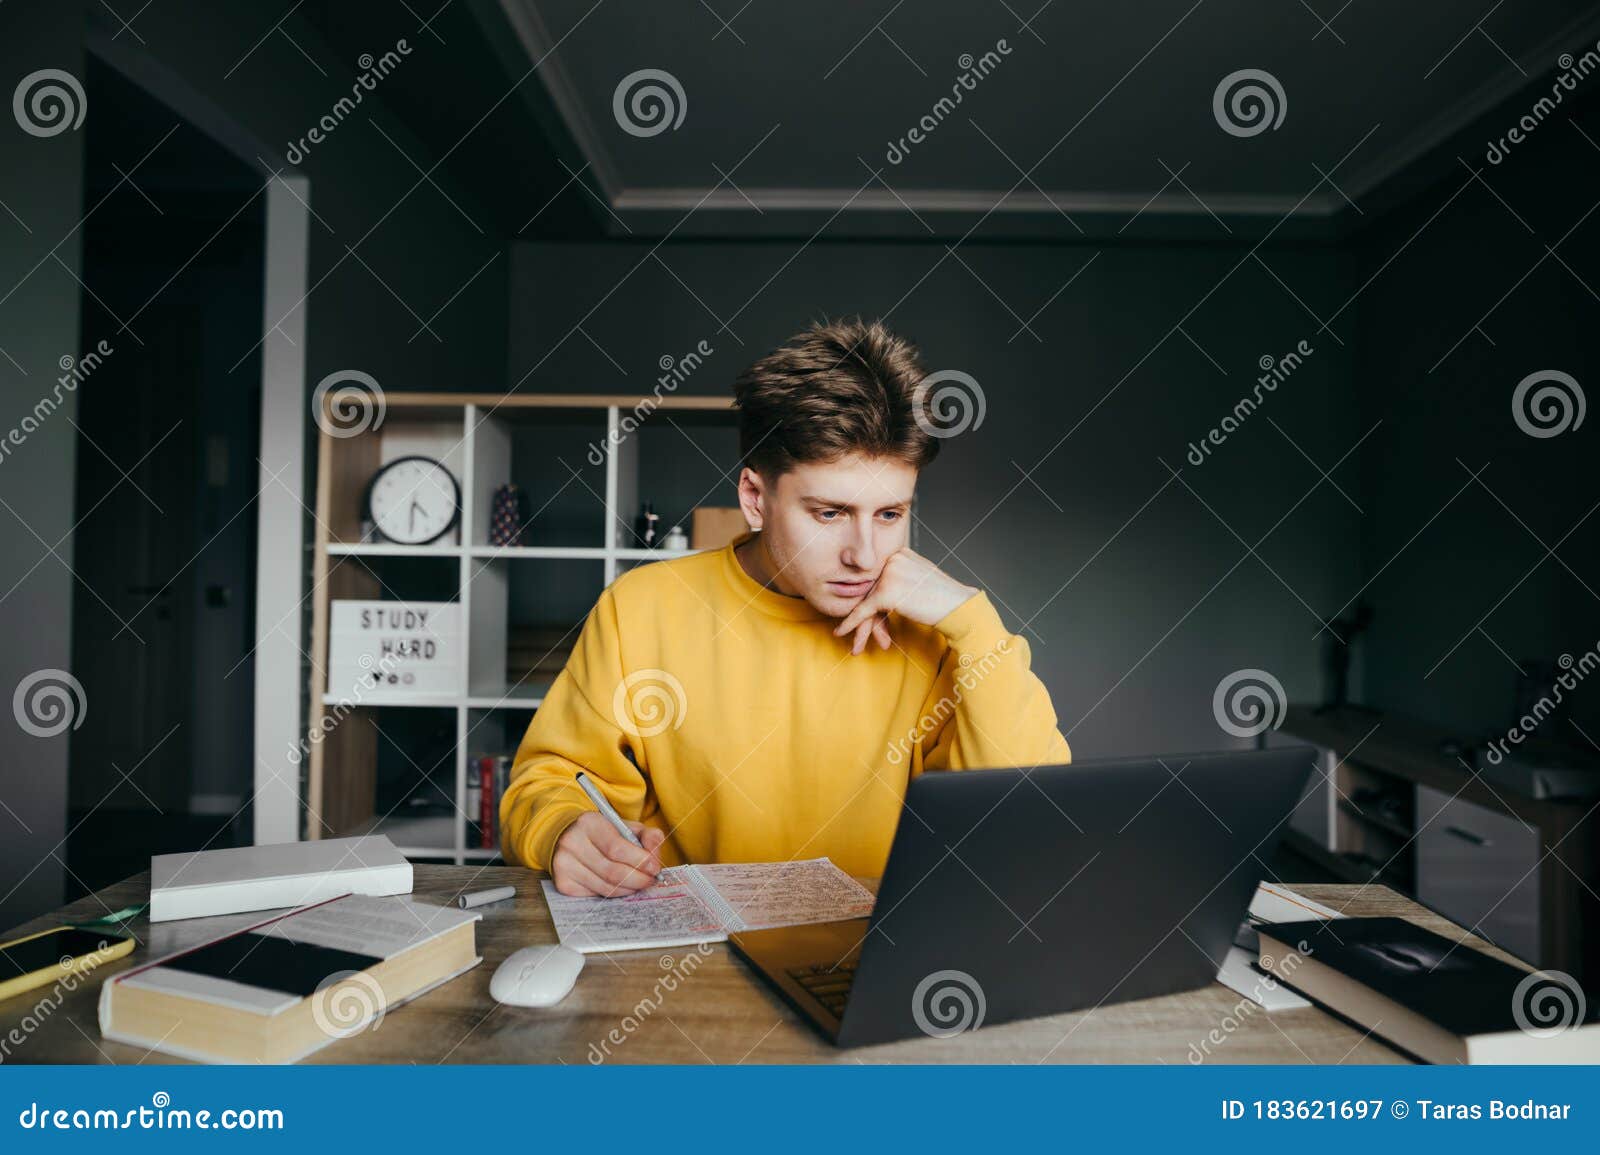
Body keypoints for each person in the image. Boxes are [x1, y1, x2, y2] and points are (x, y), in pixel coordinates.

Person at [499, 317, 1072, 896]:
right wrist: (562, 828)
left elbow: (1022, 814)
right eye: (829, 513)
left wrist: (973, 621)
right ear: (755, 497)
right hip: (692, 963)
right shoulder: (640, 610)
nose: (864, 555)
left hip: (873, 956)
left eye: (890, 515)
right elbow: (547, 782)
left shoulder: (938, 633)